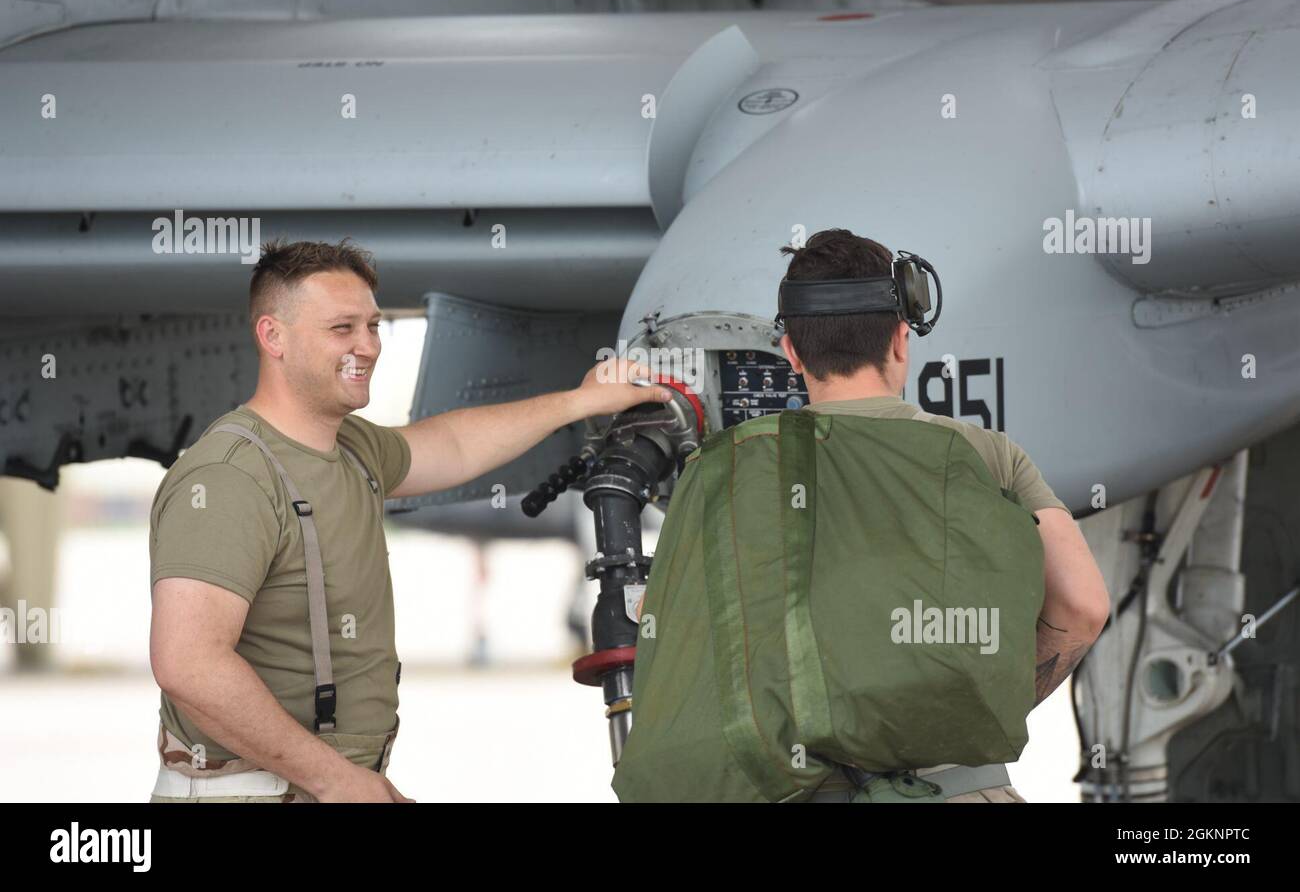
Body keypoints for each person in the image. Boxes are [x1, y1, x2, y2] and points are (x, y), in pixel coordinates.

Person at [148, 238, 668, 802]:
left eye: (374, 326)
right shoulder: (230, 477)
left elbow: (452, 444)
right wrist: (336, 780)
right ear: (272, 336)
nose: (367, 346)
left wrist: (578, 401)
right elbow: (188, 662)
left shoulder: (351, 449)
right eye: (341, 329)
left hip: (328, 784)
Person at [779, 229, 1109, 801]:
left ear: (792, 352)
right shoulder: (989, 455)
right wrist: (973, 702)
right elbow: (1083, 605)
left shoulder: (743, 468)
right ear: (901, 340)